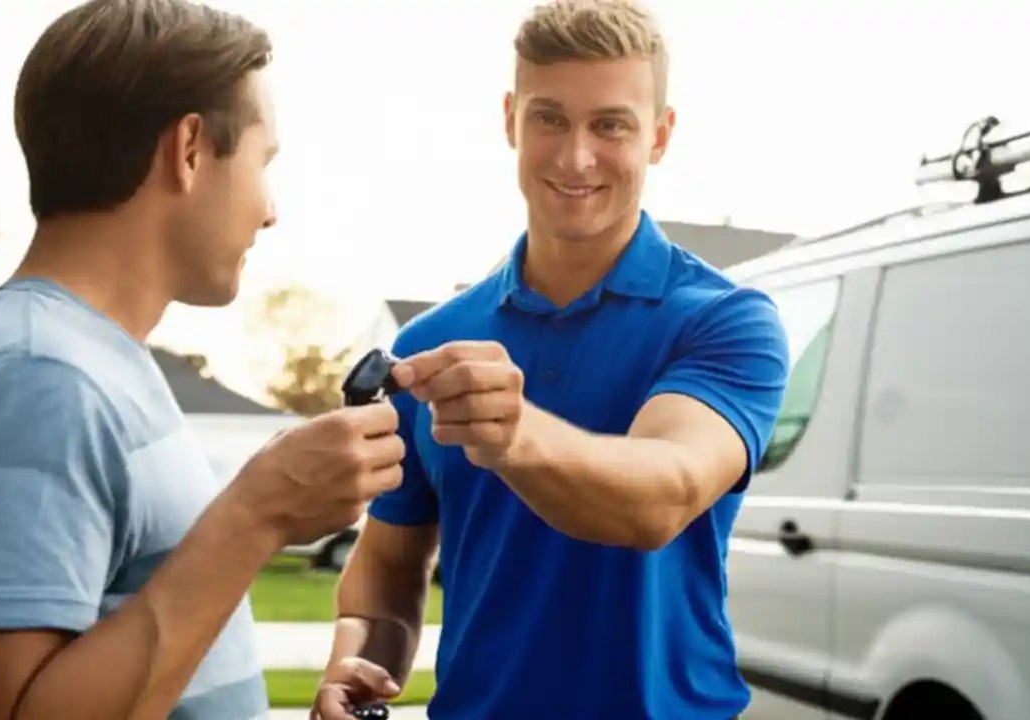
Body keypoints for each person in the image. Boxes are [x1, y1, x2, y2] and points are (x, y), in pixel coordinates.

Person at [0, 1, 406, 718]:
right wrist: (258, 514)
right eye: (262, 162)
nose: (269, 209)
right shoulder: (37, 383)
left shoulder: (91, 366)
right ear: (189, 149)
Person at [314, 1, 791, 718]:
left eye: (611, 124)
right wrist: (360, 662)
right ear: (510, 119)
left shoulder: (726, 322)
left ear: (659, 135)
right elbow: (388, 561)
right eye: (549, 118)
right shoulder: (431, 344)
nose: (576, 156)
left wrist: (515, 436)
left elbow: (663, 494)